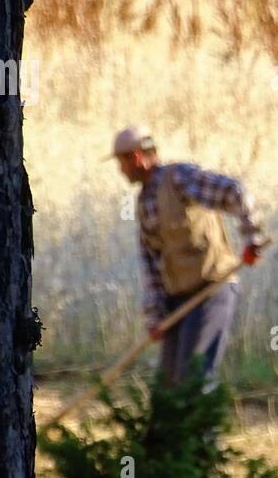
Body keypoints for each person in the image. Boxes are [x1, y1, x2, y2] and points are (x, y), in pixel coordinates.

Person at [110, 125, 266, 390]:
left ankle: (202, 432)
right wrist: (154, 315)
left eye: (121, 163)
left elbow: (233, 191)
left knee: (193, 379)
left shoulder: (180, 178)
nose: (121, 170)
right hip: (176, 301)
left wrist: (253, 239)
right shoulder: (144, 202)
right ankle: (168, 433)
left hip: (212, 290)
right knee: (167, 387)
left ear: (135, 157)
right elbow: (151, 262)